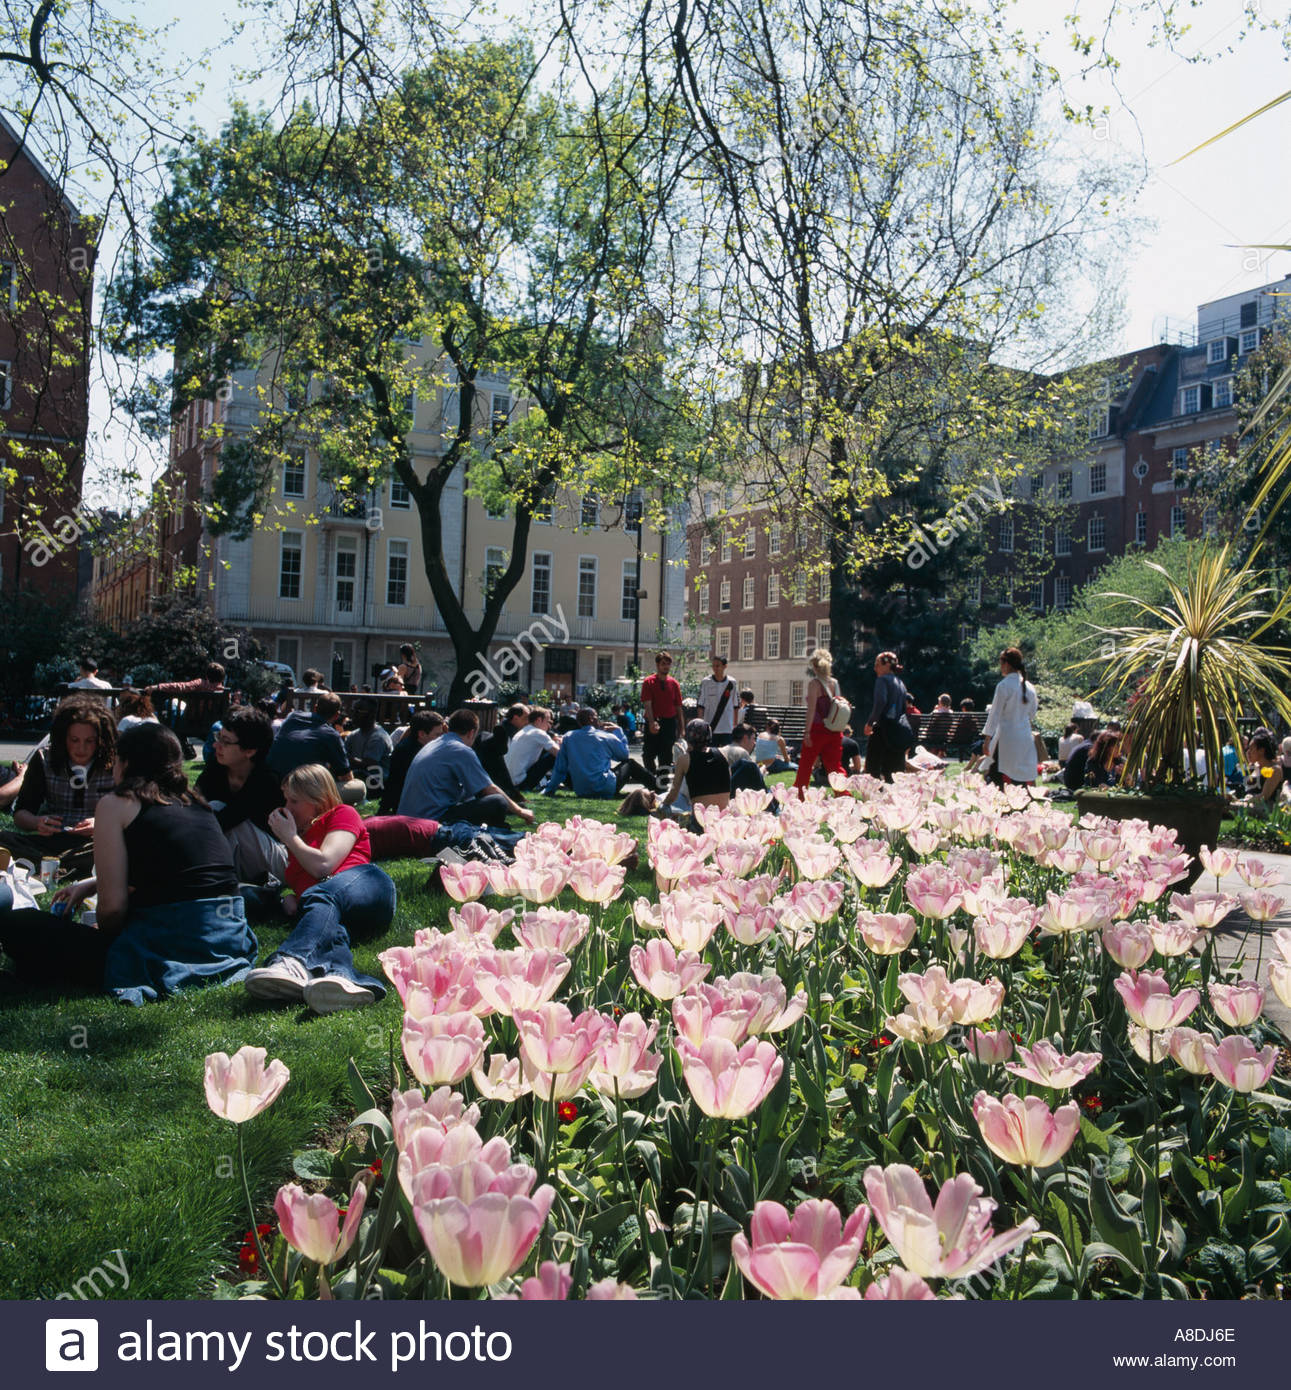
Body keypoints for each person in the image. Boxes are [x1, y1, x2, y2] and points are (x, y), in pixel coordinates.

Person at [0, 722, 257, 1004]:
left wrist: (102, 931)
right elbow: (176, 873)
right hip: (226, 939)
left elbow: (111, 912)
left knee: (17, 922)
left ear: (125, 763)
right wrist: (92, 884)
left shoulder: (116, 804)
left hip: (167, 945)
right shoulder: (196, 804)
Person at [242, 764, 395, 1013]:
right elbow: (311, 882)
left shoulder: (342, 813)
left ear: (319, 800)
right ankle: (343, 980)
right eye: (286, 800)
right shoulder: (301, 838)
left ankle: (293, 961)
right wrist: (292, 897)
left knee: (321, 894)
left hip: (367, 884)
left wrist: (289, 837)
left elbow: (324, 865)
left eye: (295, 801)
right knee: (332, 927)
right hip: (334, 909)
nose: (288, 808)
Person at [0, 695, 117, 877]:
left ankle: (54, 864)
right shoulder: (44, 759)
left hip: (98, 841)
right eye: (74, 740)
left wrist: (103, 824)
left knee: (125, 846)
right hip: (51, 840)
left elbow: (133, 812)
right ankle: (64, 864)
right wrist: (37, 822)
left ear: (101, 740)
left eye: (89, 741)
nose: (81, 749)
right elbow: (21, 814)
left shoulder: (116, 763)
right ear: (63, 738)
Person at [195, 706, 288, 884]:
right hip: (235, 851)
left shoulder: (267, 780)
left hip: (273, 857)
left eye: (226, 742)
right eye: (218, 738)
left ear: (250, 751)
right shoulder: (216, 770)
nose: (216, 745)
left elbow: (230, 818)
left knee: (216, 810)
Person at [398, 708, 534, 827]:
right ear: (471, 732)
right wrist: (521, 811)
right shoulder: (461, 750)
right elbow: (489, 789)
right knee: (497, 801)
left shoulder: (436, 744)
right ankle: (494, 831)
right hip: (432, 820)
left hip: (410, 818)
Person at [266, 692, 366, 804]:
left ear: (315, 708)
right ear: (337, 715)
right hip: (300, 792)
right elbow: (345, 775)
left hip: (270, 783)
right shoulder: (331, 735)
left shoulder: (292, 717)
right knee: (359, 787)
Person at [541, 708, 652, 798]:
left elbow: (560, 767)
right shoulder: (606, 736)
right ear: (591, 719)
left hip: (580, 789)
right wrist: (619, 732)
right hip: (605, 787)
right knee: (630, 764)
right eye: (597, 717)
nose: (599, 720)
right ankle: (658, 789)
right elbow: (623, 756)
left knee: (565, 765)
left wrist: (549, 790)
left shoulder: (568, 737)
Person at [981, 647, 1040, 786]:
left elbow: (994, 714)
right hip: (1025, 736)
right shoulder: (1030, 687)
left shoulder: (1004, 686)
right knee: (1021, 776)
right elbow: (1032, 713)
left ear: (1007, 664)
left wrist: (987, 739)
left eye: (1001, 663)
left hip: (1006, 738)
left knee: (998, 776)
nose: (1000, 667)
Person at [792, 648, 848, 794]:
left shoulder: (814, 684)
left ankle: (800, 795)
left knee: (806, 765)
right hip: (834, 731)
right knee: (835, 767)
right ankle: (843, 795)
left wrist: (807, 732)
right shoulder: (835, 683)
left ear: (815, 667)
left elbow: (811, 711)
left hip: (817, 729)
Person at [660, 718, 731, 822]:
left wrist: (663, 805)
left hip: (700, 820)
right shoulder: (723, 754)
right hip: (724, 818)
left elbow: (673, 794)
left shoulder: (684, 759)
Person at [380, 709, 445, 815]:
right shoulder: (414, 753)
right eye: (437, 735)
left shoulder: (409, 744)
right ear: (422, 734)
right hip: (414, 809)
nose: (441, 739)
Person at [861, 651, 913, 784]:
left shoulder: (882, 680)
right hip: (896, 731)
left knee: (873, 768)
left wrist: (870, 722)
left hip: (881, 730)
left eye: (877, 664)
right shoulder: (900, 683)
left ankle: (874, 797)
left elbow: (880, 702)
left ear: (886, 666)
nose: (875, 668)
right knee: (894, 770)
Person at [641, 651, 683, 777]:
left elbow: (678, 707)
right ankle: (651, 779)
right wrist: (652, 722)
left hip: (669, 723)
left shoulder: (674, 683)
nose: (666, 667)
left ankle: (662, 785)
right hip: (654, 720)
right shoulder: (649, 682)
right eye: (663, 664)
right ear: (657, 665)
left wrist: (681, 727)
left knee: (666, 756)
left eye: (668, 664)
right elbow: (647, 704)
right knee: (648, 754)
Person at [477, 703, 530, 797]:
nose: (527, 722)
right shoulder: (505, 734)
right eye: (525, 718)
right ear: (515, 718)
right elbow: (503, 764)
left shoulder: (507, 730)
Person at [505, 706, 561, 792]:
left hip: (510, 781)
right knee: (553, 757)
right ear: (539, 720)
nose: (549, 726)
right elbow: (559, 753)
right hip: (521, 782)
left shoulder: (524, 731)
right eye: (548, 721)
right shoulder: (538, 733)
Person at [346, 700, 394, 796]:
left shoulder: (378, 737)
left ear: (371, 715)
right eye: (353, 711)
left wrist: (345, 758)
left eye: (357, 712)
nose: (353, 715)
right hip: (359, 777)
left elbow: (368, 764)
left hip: (375, 782)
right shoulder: (353, 735)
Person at [698, 655, 738, 747]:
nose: (715, 668)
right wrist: (700, 724)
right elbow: (700, 704)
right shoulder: (706, 682)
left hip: (727, 727)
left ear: (725, 666)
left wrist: (735, 725)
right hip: (711, 726)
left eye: (718, 666)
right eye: (713, 666)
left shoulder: (732, 682)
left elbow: (736, 705)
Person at [1243, 730, 1284, 818]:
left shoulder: (1274, 770)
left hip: (1266, 808)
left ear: (1261, 751)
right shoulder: (1255, 767)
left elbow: (1264, 796)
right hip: (1252, 804)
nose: (1248, 752)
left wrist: (1246, 800)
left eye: (1251, 749)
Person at [721, 722, 769, 795]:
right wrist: (762, 770)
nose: (754, 743)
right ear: (745, 738)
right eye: (753, 739)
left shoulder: (723, 749)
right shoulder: (742, 753)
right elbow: (754, 777)